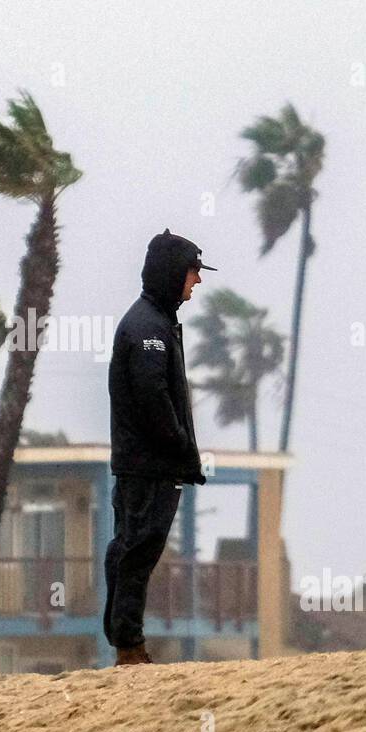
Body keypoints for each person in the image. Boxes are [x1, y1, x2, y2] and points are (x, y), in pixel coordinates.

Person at [104, 228, 216, 665]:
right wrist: (182, 449)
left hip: (148, 465)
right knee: (137, 550)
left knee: (131, 549)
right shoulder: (147, 327)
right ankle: (129, 647)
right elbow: (154, 398)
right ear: (173, 273)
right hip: (148, 467)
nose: (197, 282)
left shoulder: (155, 321)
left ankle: (126, 643)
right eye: (193, 272)